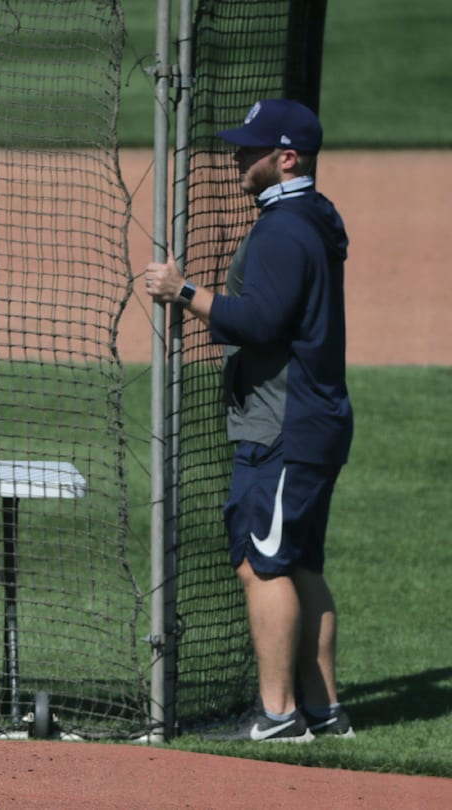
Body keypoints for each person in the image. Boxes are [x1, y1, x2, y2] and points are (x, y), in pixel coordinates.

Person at [144, 98, 353, 743]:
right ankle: (323, 712)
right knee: (298, 565)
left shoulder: (283, 232)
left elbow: (262, 321)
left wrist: (183, 291)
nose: (238, 157)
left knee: (261, 565)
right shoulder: (313, 218)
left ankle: (280, 716)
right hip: (312, 419)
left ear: (286, 158)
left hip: (282, 426)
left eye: (252, 149)